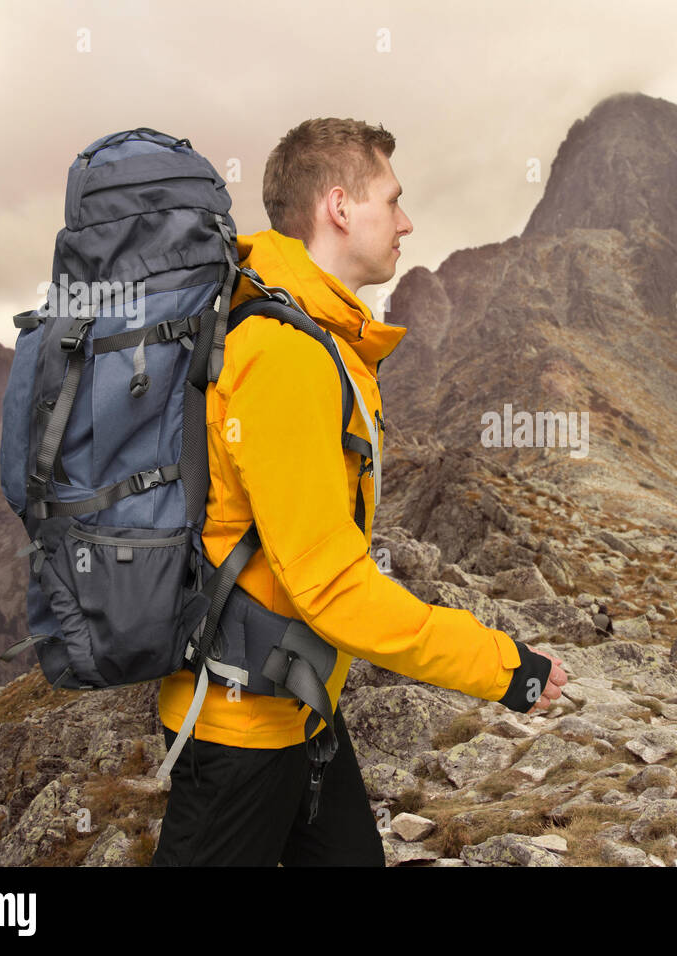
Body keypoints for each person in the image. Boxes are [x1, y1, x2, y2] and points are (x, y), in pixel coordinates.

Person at [151, 118, 566, 866]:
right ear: (339, 207)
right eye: (392, 201)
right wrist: (501, 667)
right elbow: (331, 586)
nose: (406, 222)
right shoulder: (284, 354)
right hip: (239, 733)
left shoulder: (315, 333)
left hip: (297, 710)